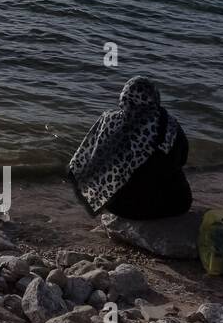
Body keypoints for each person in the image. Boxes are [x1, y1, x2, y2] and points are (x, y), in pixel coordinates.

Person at [68, 76, 191, 219]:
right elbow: (183, 159)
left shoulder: (108, 120)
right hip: (171, 206)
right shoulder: (170, 125)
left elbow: (87, 158)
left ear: (124, 97)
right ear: (154, 97)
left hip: (120, 207)